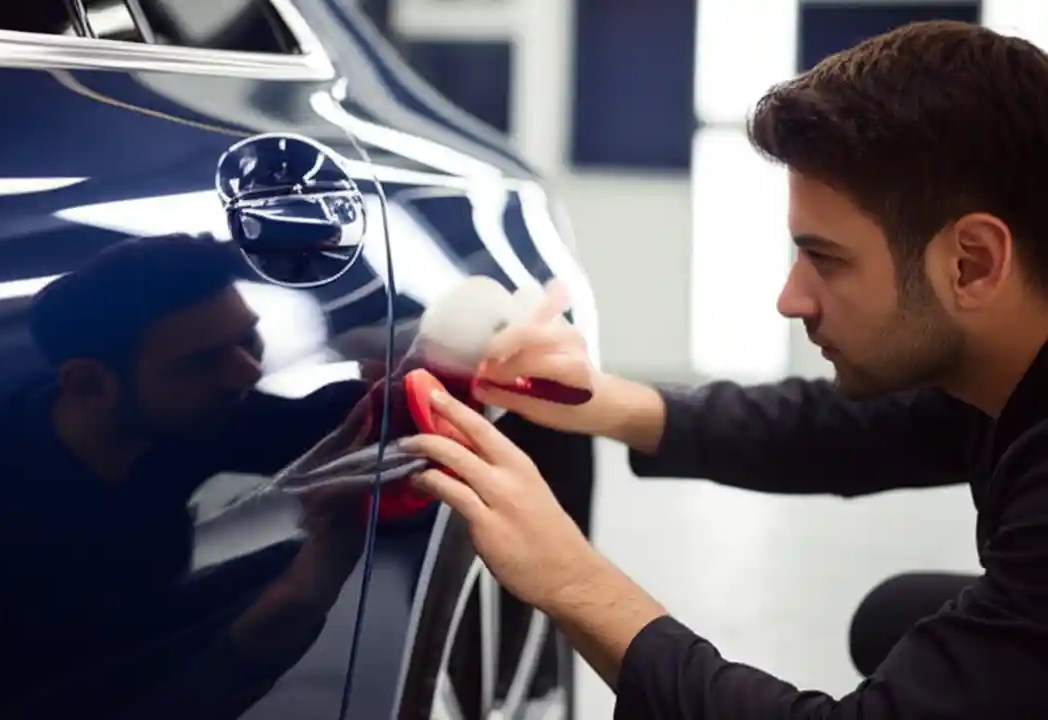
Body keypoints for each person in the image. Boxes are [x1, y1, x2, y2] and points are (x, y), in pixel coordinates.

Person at [402, 20, 1048, 719]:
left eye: (827, 259)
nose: (790, 298)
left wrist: (571, 580)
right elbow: (843, 428)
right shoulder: (1003, 371)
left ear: (973, 262)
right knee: (896, 617)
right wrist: (603, 402)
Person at [0, 234, 375, 719]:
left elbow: (300, 427)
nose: (244, 373)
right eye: (204, 360)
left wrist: (409, 382)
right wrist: (289, 604)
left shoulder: (165, 408)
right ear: (88, 383)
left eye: (247, 338)